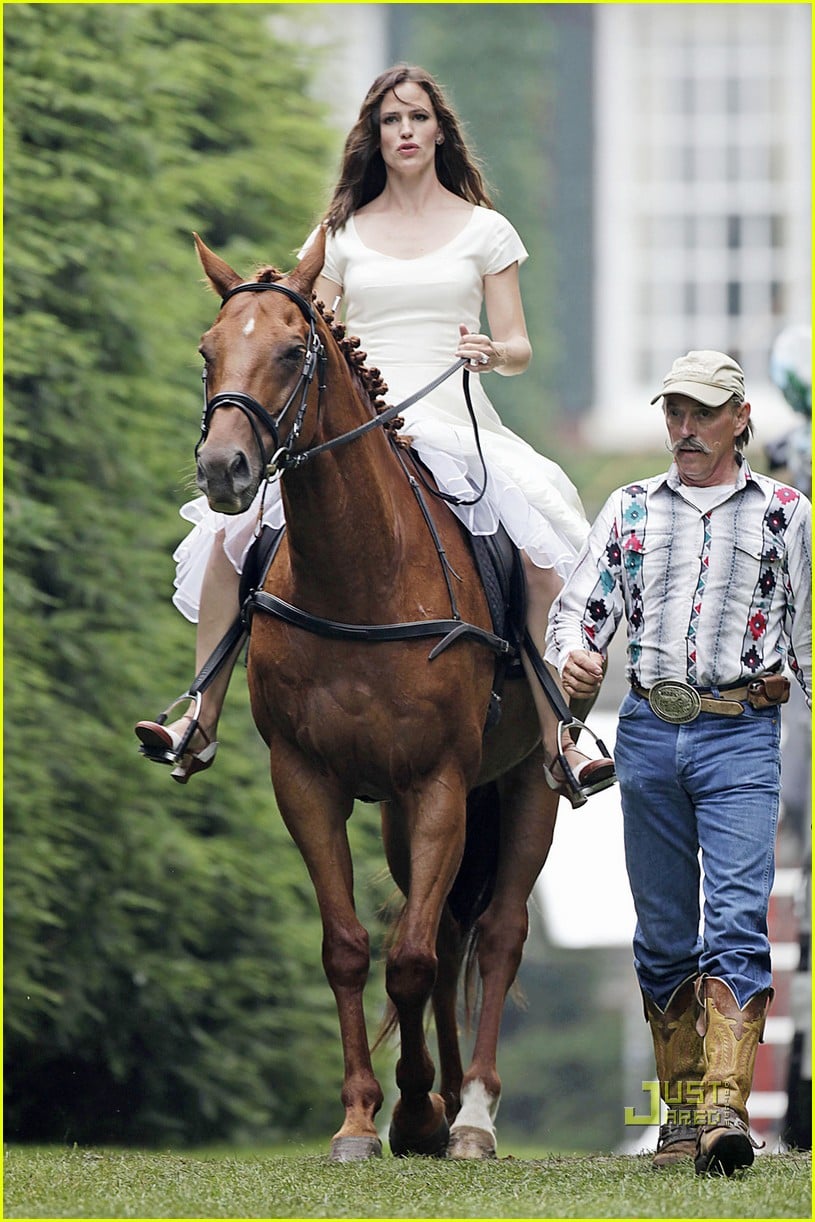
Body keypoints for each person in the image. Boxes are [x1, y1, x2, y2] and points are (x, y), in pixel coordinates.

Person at [136, 64, 615, 803]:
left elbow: (518, 346)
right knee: (228, 541)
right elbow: (312, 333)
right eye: (390, 121)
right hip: (359, 423)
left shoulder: (486, 230)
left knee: (542, 557)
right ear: (374, 135)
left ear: (439, 130)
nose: (404, 133)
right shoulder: (339, 234)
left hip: (454, 419)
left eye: (417, 118)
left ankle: (558, 737)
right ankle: (199, 713)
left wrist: (490, 352)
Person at [547, 350, 812, 1175]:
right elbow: (575, 615)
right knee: (663, 935)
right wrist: (574, 663)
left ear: (739, 416)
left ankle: (725, 1116)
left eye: (700, 413)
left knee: (735, 918)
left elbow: (806, 641)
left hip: (741, 733)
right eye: (673, 413)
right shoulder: (627, 510)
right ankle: (681, 1119)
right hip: (648, 738)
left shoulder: (787, 515)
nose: (683, 429)